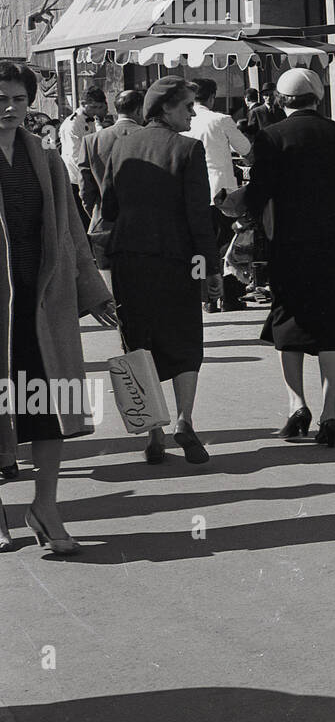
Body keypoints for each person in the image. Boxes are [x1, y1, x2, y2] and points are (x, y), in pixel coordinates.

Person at [0, 63, 114, 556]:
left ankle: (45, 506)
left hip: (44, 303)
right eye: (1, 98)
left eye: (19, 100)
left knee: (50, 409)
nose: (9, 108)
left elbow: (70, 229)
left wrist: (93, 290)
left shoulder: (45, 160)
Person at [240, 69, 335, 447]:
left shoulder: (269, 137)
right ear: (319, 96)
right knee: (332, 325)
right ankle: (330, 411)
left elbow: (258, 193)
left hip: (290, 245)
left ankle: (296, 405)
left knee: (289, 321)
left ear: (281, 101)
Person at [101, 77, 221, 465]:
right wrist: (211, 266)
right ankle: (184, 420)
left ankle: (154, 432)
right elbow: (198, 215)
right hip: (176, 258)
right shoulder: (187, 149)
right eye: (187, 106)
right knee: (184, 338)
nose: (192, 112)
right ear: (165, 108)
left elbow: (108, 207)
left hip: (129, 258)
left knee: (139, 341)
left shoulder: (121, 145)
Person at [185, 77, 252, 313]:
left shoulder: (184, 121)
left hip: (193, 193)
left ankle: (205, 298)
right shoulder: (220, 120)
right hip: (222, 194)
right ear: (212, 96)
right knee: (228, 244)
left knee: (201, 246)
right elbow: (246, 150)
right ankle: (230, 296)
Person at [78, 88, 145, 243]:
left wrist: (96, 213)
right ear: (139, 110)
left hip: (103, 223)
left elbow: (85, 190)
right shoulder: (150, 137)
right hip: (144, 224)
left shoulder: (91, 141)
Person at [59, 85, 107, 218]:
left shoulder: (93, 121)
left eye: (99, 107)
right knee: (82, 218)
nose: (96, 111)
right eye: (93, 107)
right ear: (83, 104)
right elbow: (75, 156)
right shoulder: (73, 124)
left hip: (90, 176)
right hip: (76, 179)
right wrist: (87, 178)